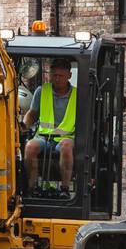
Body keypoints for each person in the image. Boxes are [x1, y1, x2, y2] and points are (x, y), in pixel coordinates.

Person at [23, 58, 77, 193]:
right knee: (30, 147)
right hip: (43, 137)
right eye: (54, 75)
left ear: (69, 76)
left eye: (61, 76)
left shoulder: (78, 94)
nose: (57, 79)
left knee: (66, 146)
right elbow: (32, 114)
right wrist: (24, 126)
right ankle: (32, 187)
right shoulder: (41, 91)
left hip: (66, 138)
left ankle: (64, 189)